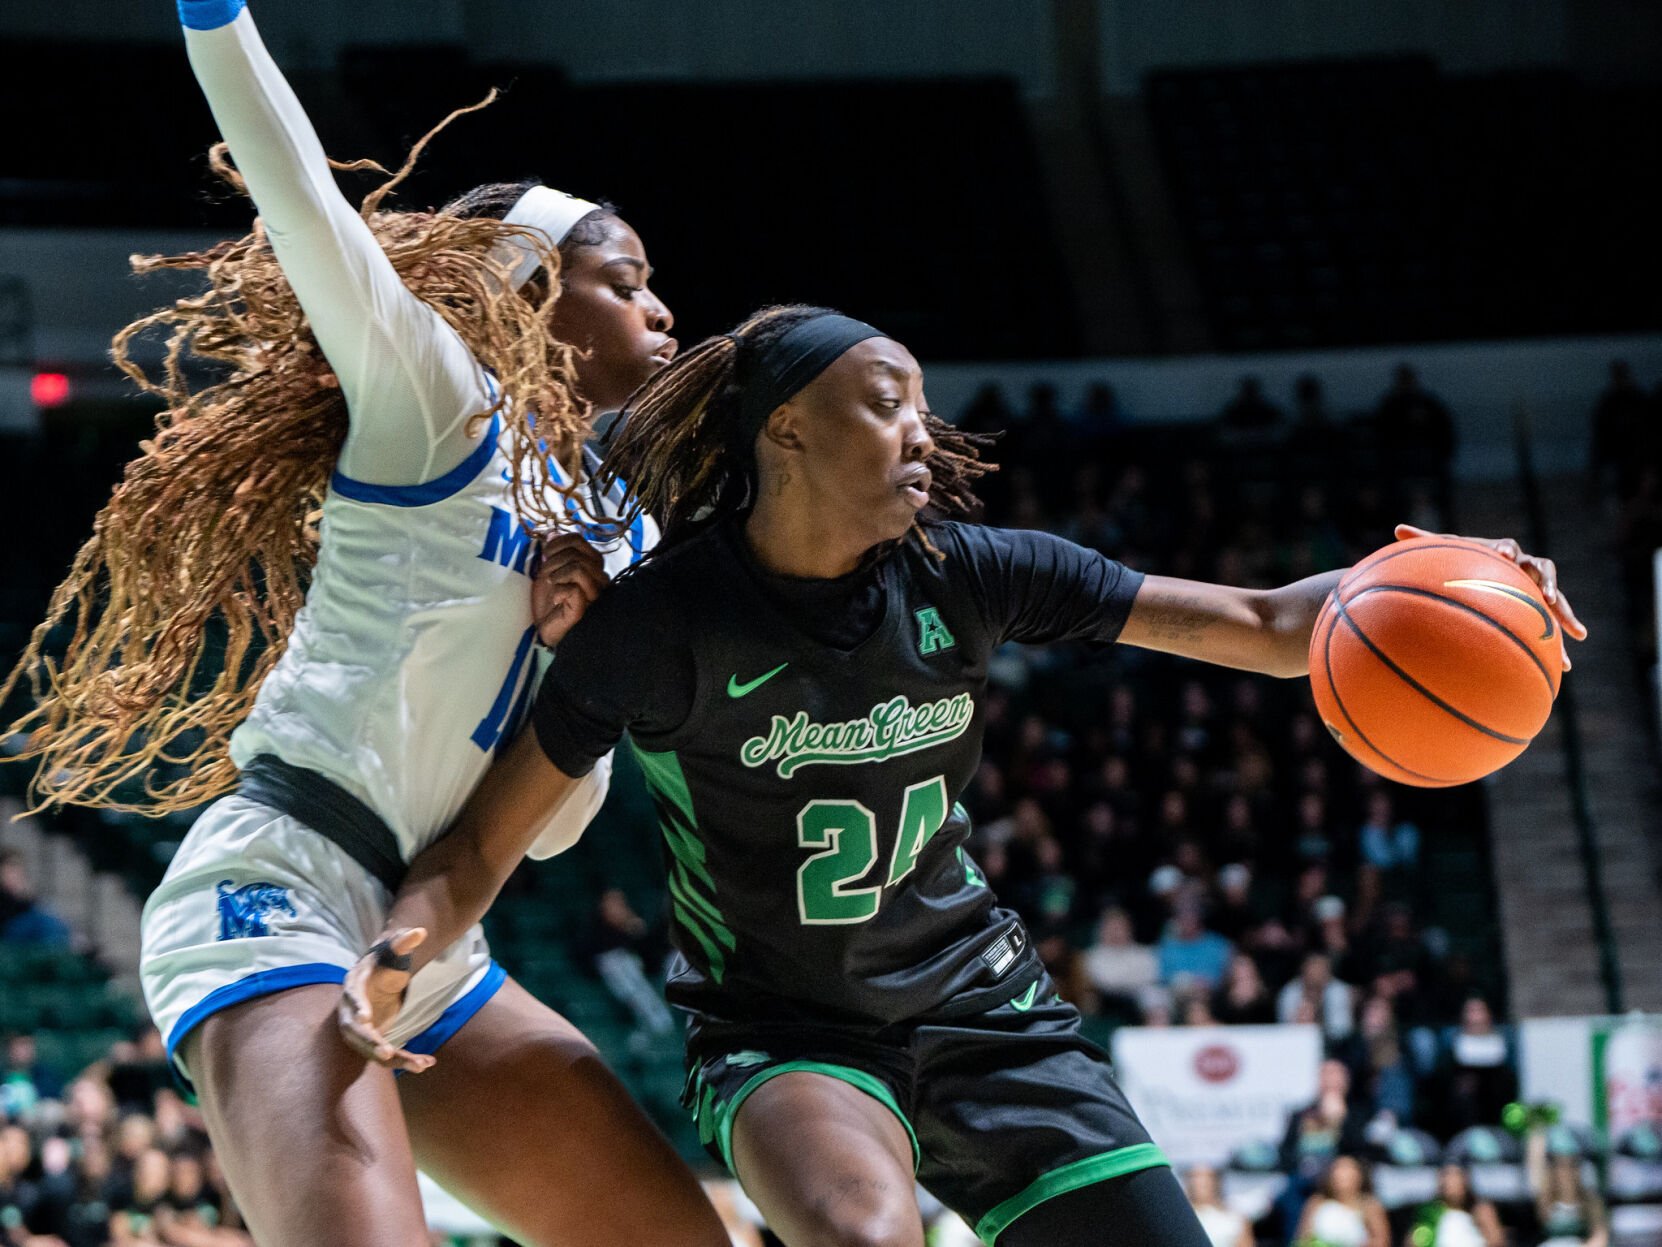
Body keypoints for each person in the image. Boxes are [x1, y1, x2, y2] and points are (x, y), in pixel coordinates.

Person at [343, 306, 1582, 1246]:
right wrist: (402, 944)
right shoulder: (662, 624)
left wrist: (1456, 575)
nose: (919, 431)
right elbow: (477, 852)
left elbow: (1267, 622)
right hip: (787, 1033)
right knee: (864, 1233)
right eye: (885, 404)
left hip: (990, 1016)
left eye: (923, 405)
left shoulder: (969, 572)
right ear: (787, 429)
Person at [0, 2, 728, 1246]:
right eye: (628, 281)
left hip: (434, 933)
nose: (663, 311)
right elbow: (301, 204)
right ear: (531, 295)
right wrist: (217, 23)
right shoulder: (438, 404)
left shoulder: (628, 534)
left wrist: (574, 659)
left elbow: (550, 833)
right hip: (275, 893)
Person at [1528, 1126, 1608, 1247]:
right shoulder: (1544, 1198)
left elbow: (1600, 1236)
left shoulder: (1591, 1200)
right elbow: (1535, 1162)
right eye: (1559, 1165)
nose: (1565, 1171)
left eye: (1572, 1164)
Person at [1293, 1156, 1388, 1247]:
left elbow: (1381, 1241)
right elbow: (1302, 1237)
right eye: (1338, 1169)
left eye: (1348, 1169)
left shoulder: (1369, 1204)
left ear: (1359, 1175)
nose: (1342, 1174)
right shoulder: (1316, 1201)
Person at [1406, 1163, 1502, 1247]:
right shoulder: (1429, 1213)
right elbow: (1413, 1241)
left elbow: (1496, 1241)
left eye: (1455, 1177)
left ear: (1465, 1181)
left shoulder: (1480, 1209)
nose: (1449, 1183)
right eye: (1445, 1176)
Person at [1184, 1166, 1251, 1247]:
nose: (1202, 1182)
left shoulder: (1234, 1218)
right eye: (1195, 1177)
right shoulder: (1180, 1217)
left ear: (1217, 1181)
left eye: (1209, 1177)